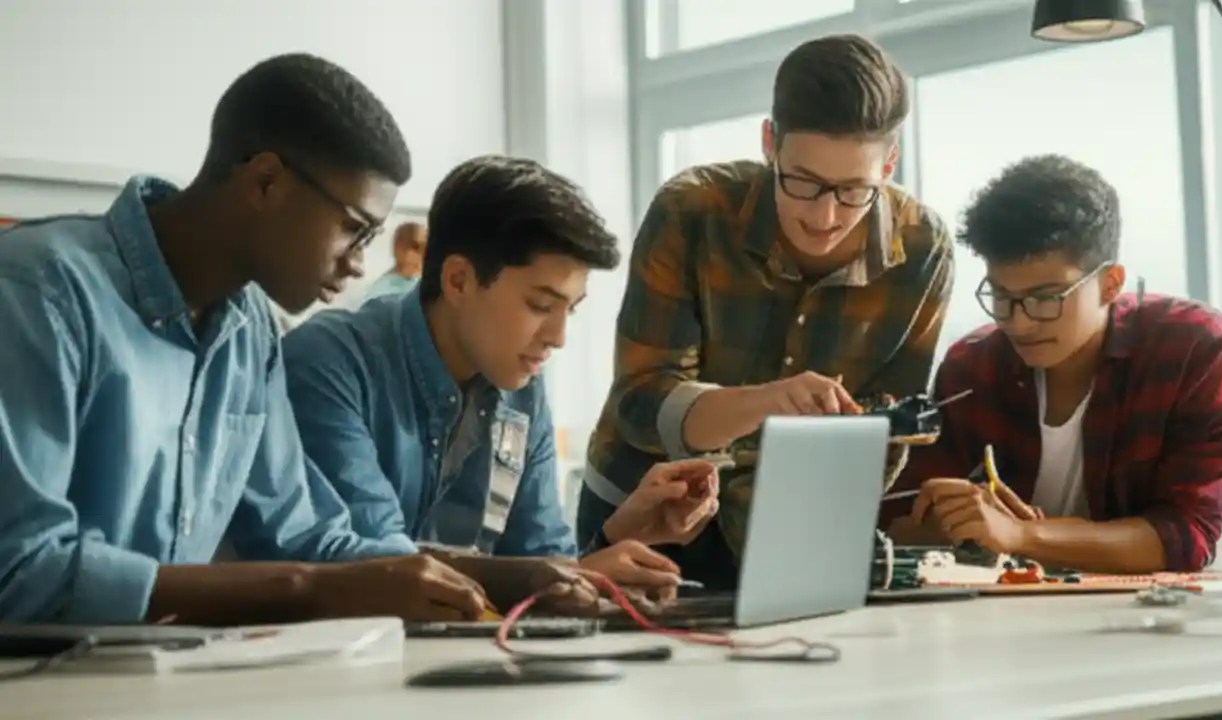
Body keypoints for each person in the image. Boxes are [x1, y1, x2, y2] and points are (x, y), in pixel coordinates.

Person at [0, 53, 594, 626]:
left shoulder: (248, 331)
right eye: (353, 230)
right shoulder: (38, 291)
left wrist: (530, 576)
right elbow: (20, 570)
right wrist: (308, 587)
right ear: (266, 182)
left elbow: (308, 533)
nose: (360, 264)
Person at [581, 34, 955, 588]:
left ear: (890, 165)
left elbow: (888, 426)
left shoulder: (922, 251)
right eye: (803, 183)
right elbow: (640, 402)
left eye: (854, 190)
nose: (826, 216)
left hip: (792, 525)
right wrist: (764, 403)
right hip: (649, 508)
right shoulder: (693, 211)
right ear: (768, 142)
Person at [284, 156, 720, 599]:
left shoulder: (523, 390)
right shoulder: (329, 363)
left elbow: (543, 558)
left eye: (571, 310)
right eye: (540, 305)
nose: (558, 337)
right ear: (458, 280)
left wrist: (615, 544)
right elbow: (383, 569)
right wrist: (561, 573)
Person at [882, 155, 1222, 573]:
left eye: (1047, 298)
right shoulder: (973, 366)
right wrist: (946, 518)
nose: (1019, 322)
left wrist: (1019, 535)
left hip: (1175, 617)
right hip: (1014, 616)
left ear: (1110, 283)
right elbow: (902, 525)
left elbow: (1186, 537)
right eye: (1002, 296)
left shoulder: (1196, 351)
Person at [363, 221, 427, 302]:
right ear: (399, 249)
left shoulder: (420, 283)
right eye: (416, 247)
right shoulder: (382, 293)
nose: (424, 253)